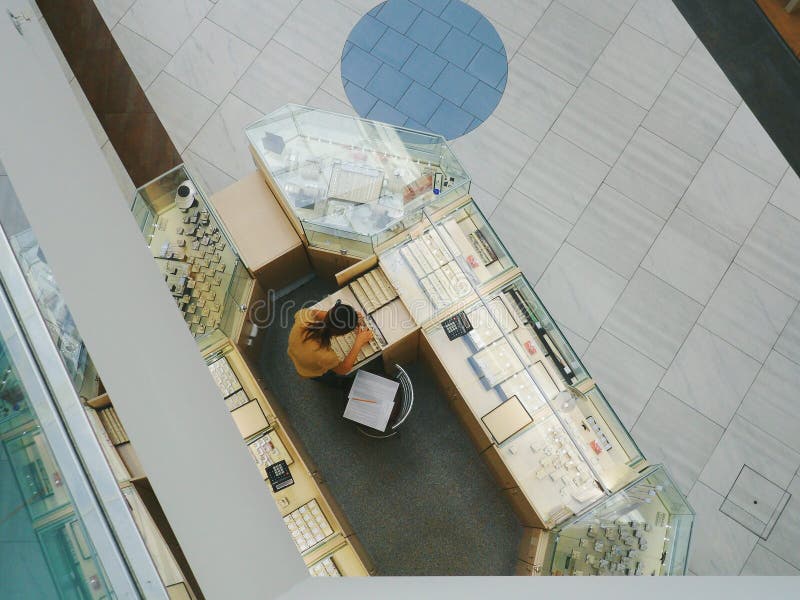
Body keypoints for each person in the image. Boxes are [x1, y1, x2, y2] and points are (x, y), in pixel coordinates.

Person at [287, 300, 374, 385]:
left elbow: (313, 312)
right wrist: (359, 341)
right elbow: (343, 369)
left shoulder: (303, 319)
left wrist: (334, 317)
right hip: (308, 370)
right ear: (341, 334)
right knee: (328, 377)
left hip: (294, 350)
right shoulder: (327, 356)